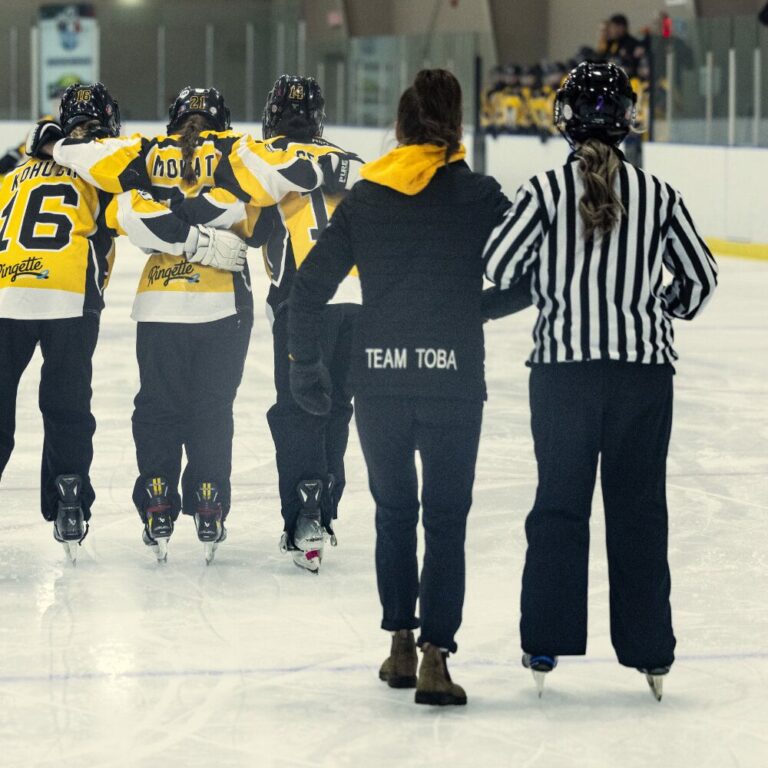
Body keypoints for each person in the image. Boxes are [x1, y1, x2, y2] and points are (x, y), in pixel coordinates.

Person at [36, 83, 359, 564]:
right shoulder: (238, 149)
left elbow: (120, 207)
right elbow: (253, 217)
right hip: (226, 303)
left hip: (159, 301)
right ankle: (212, 500)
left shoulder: (146, 152)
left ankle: (159, 498)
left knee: (156, 407)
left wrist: (51, 142)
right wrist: (209, 232)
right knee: (215, 408)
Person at [287, 69, 530, 705]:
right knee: (446, 522)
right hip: (453, 381)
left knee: (394, 515)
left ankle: (398, 644)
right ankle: (435, 659)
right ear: (457, 127)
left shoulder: (366, 197)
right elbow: (533, 275)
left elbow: (306, 291)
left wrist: (305, 366)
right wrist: (475, 308)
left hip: (381, 383)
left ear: (399, 126)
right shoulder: (479, 196)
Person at [482, 61, 718, 700]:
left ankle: (543, 643)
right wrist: (656, 309)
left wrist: (555, 283)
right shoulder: (659, 195)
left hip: (563, 375)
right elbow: (699, 284)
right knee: (639, 511)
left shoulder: (542, 191)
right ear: (628, 122)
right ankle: (650, 651)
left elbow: (499, 266)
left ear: (565, 120)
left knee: (559, 506)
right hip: (644, 377)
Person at [4, 83, 246, 564]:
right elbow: (142, 216)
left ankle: (146, 496)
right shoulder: (106, 174)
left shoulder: (15, 174)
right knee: (67, 408)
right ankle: (69, 493)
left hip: (7, 296)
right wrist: (202, 241)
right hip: (70, 299)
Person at [181, 75, 363, 573]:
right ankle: (326, 506)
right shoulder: (350, 160)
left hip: (303, 305)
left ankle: (306, 511)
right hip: (359, 304)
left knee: (297, 410)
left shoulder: (264, 158)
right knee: (337, 407)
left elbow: (249, 228)